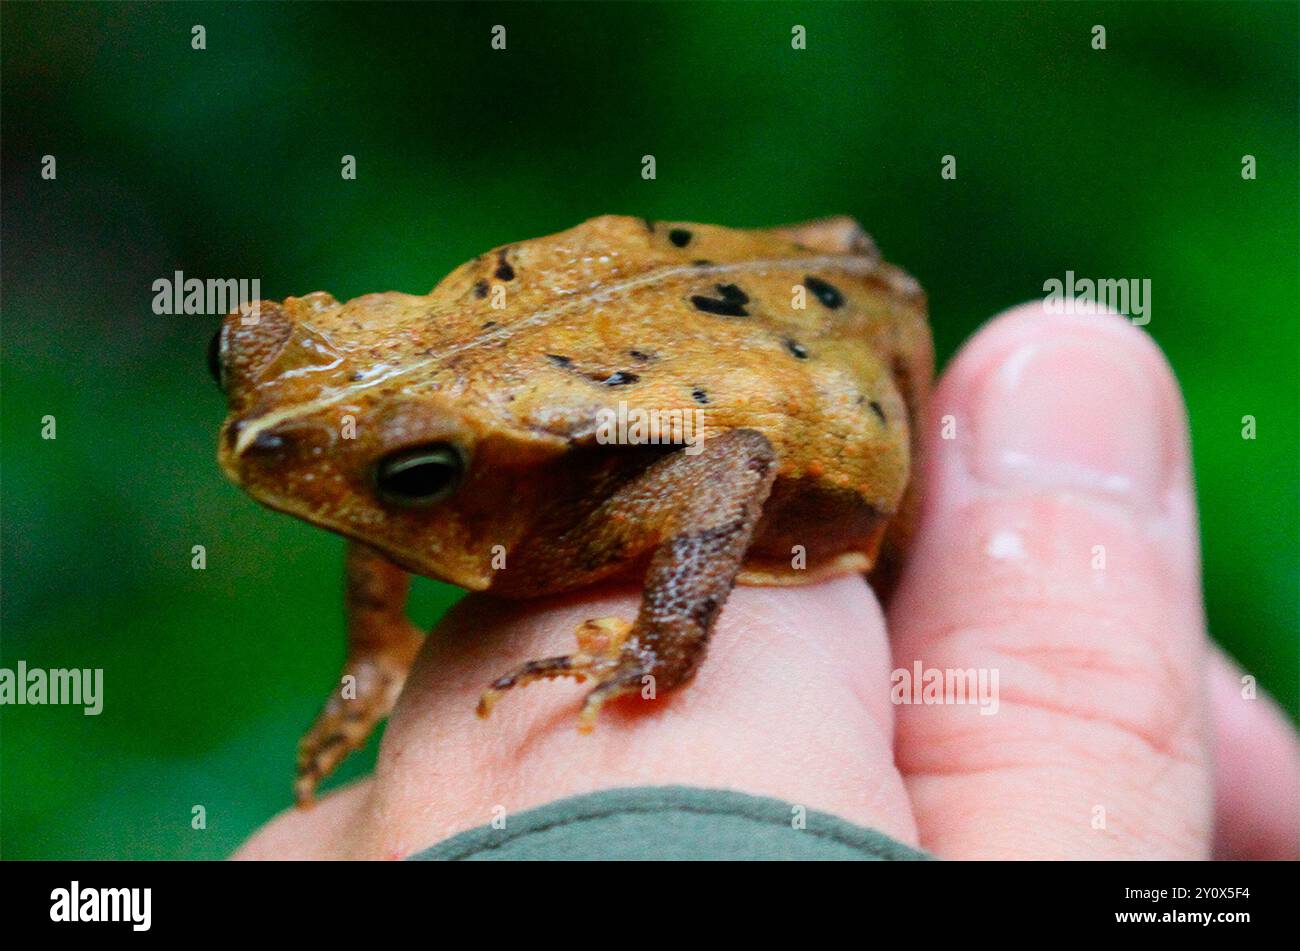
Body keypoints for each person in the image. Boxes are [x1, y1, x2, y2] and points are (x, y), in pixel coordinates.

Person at [235, 301, 1299, 861]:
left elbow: (732, 458)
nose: (253, 443)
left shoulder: (577, 493)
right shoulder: (438, 473)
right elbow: (391, 491)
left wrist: (658, 652)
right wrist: (379, 647)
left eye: (416, 473)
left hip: (797, 449)